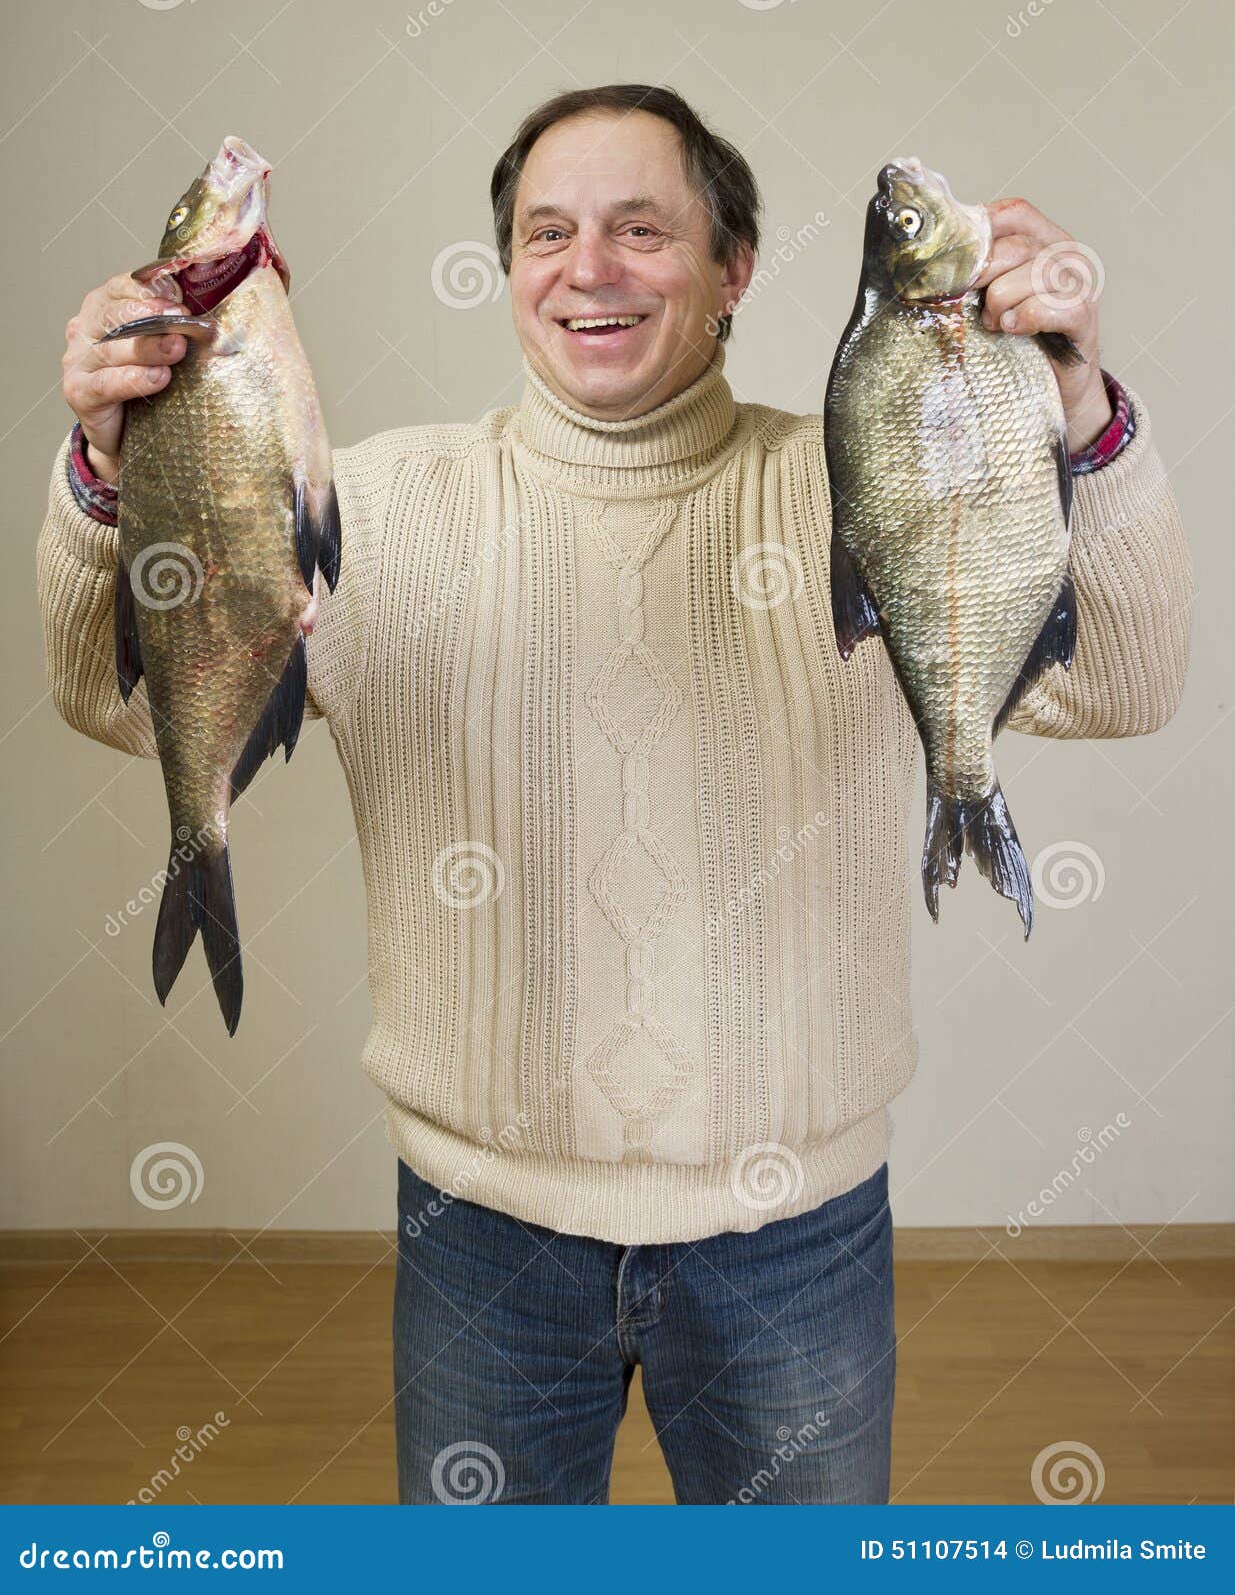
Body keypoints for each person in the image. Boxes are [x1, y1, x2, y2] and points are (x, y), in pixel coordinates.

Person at [38, 85, 1193, 1505]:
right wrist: (106, 474)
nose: (590, 269)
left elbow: (1126, 680)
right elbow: (121, 699)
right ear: (513, 270)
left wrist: (1076, 404)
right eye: (548, 233)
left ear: (733, 272)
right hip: (482, 1231)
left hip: (795, 1228)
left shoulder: (878, 479)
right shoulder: (364, 506)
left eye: (642, 230)